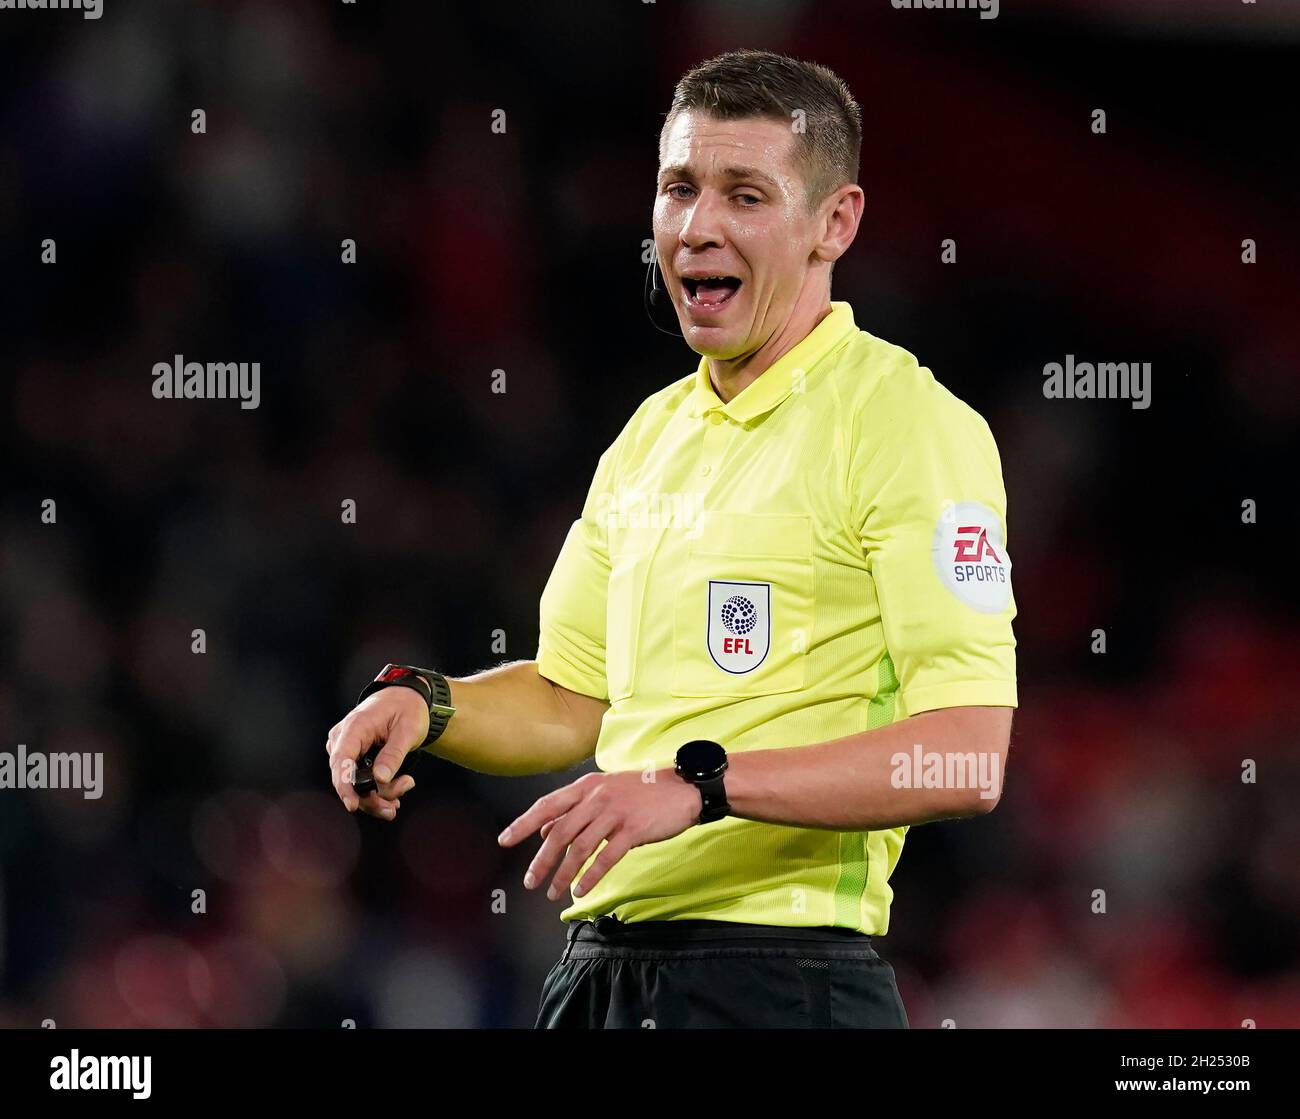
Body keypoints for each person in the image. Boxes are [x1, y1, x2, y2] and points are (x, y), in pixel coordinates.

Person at [327, 48, 1017, 1029]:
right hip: (601, 972)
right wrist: (427, 705)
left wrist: (701, 786)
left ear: (836, 223)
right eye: (679, 189)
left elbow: (965, 759)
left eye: (744, 195)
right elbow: (571, 699)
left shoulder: (906, 424)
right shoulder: (647, 439)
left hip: (783, 976)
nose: (697, 227)